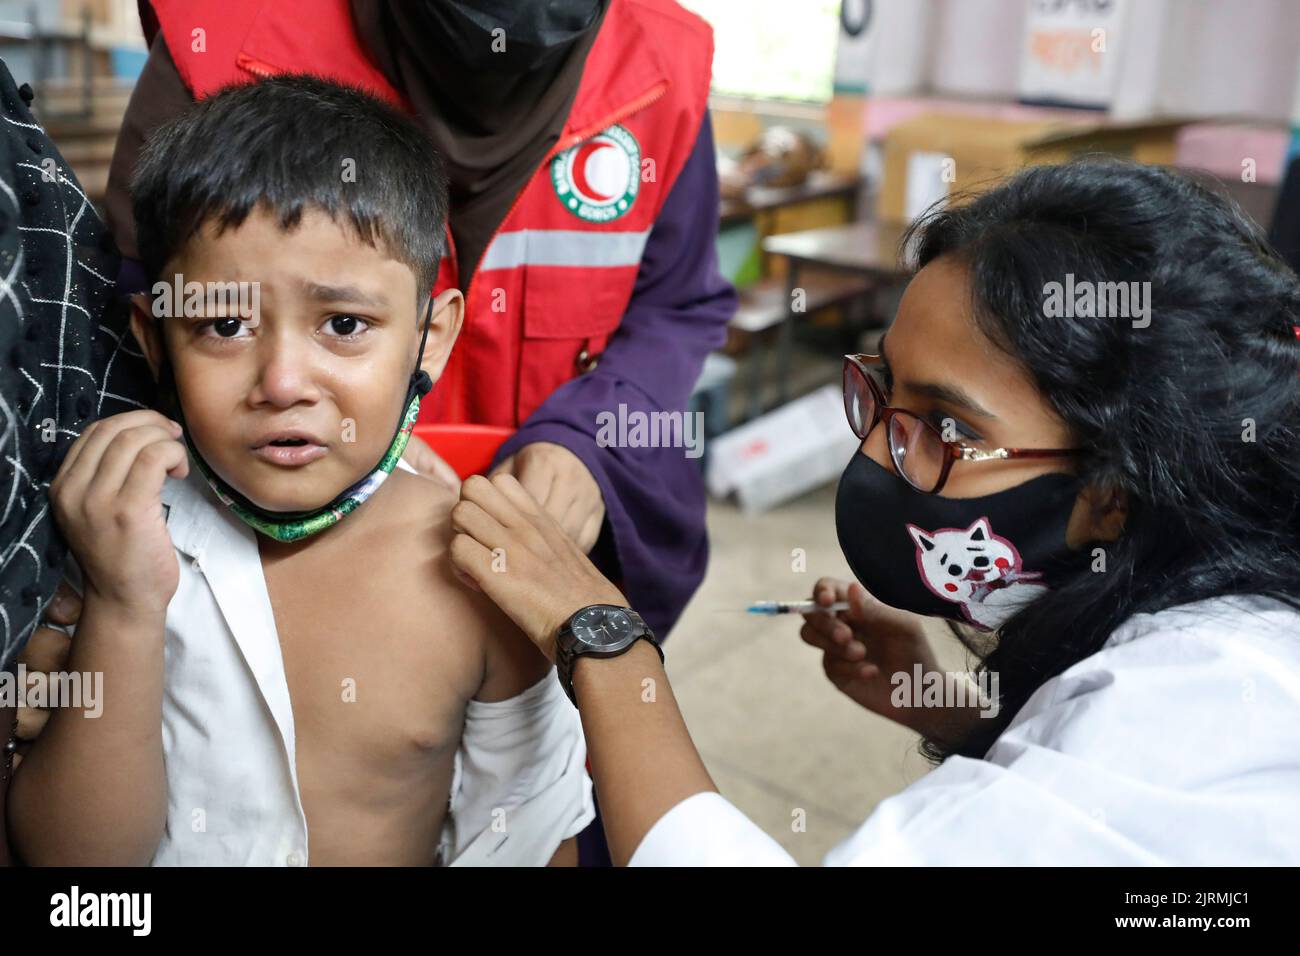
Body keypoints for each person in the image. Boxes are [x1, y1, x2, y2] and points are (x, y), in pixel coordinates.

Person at [446, 159, 1300, 865]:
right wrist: (953, 714)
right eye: (885, 390)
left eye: (950, 427)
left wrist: (602, 637)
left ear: (1116, 492)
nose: (880, 454)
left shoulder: (1206, 710)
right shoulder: (1206, 621)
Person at [6, 76, 593, 866]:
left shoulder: (487, 575)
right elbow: (77, 872)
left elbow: (531, 839)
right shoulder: (113, 540)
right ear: (153, 337)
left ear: (432, 337)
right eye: (224, 323)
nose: (282, 381)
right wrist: (124, 603)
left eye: (344, 324)